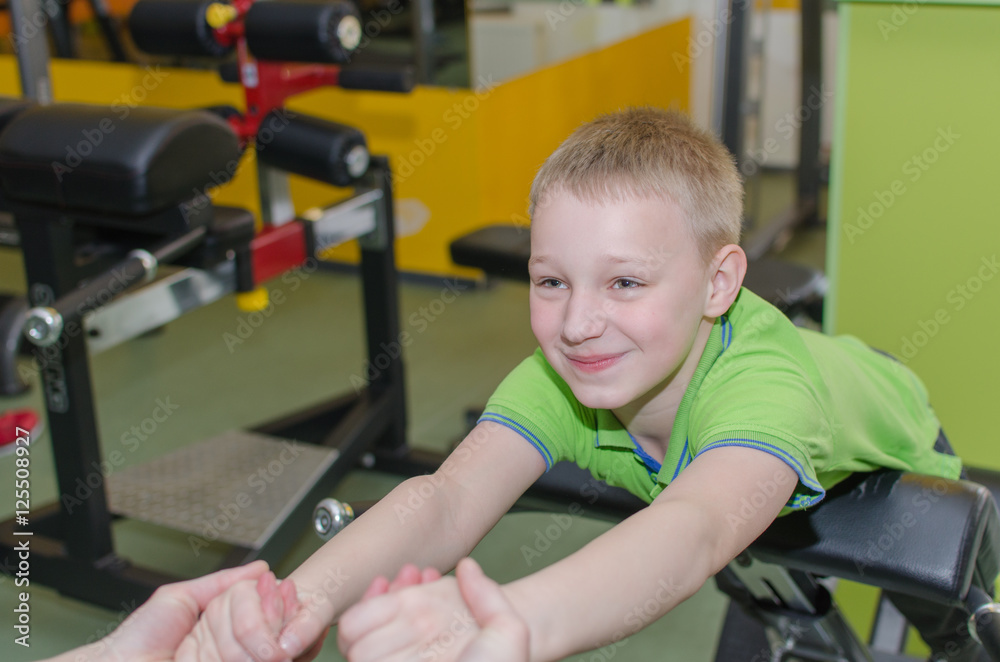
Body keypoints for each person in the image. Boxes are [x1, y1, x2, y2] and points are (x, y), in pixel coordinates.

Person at [179, 107, 986, 662]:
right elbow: (447, 501)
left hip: (891, 463)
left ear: (718, 284)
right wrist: (299, 600)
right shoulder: (560, 379)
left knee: (959, 634)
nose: (577, 324)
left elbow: (695, 527)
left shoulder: (766, 389)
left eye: (625, 284)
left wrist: (512, 618)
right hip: (743, 486)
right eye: (551, 282)